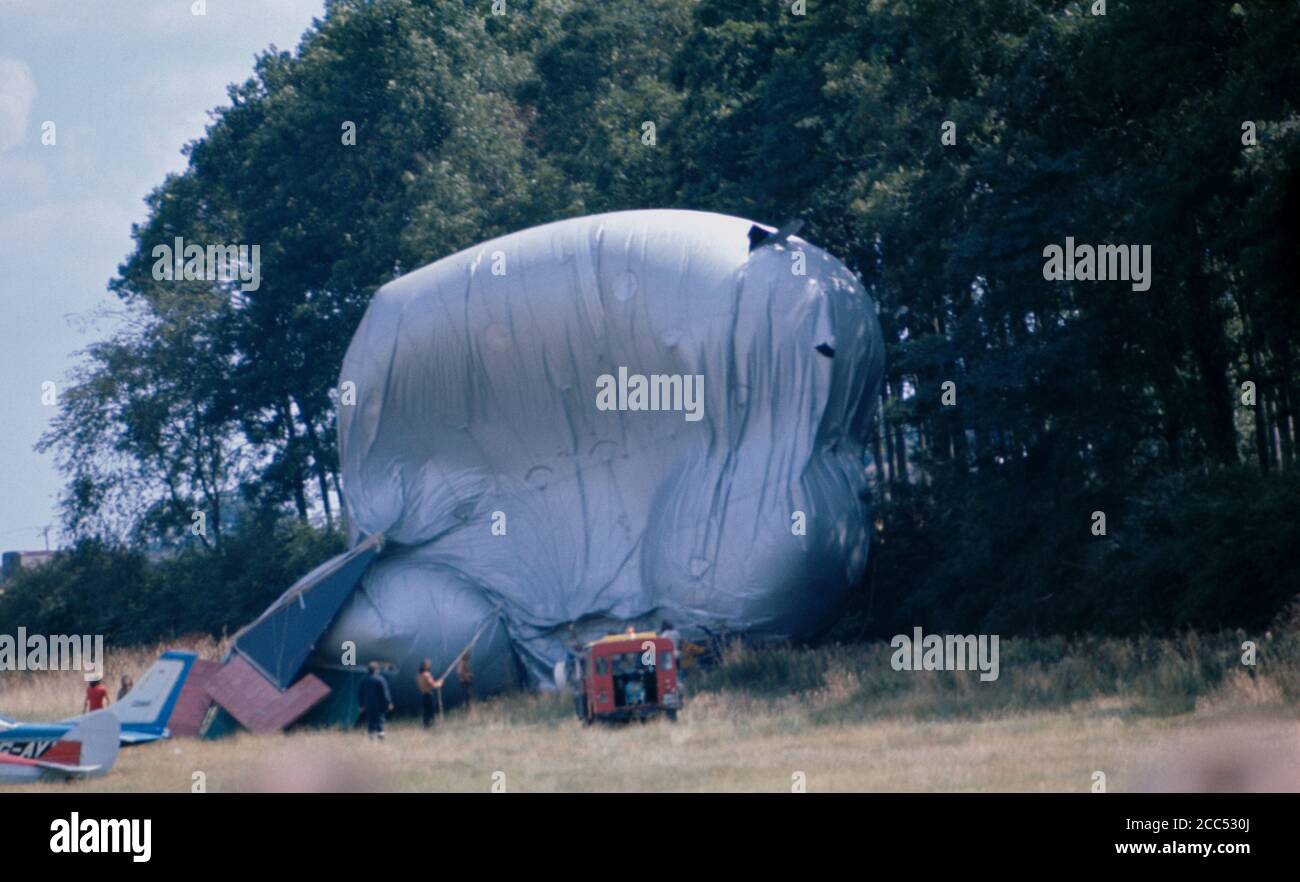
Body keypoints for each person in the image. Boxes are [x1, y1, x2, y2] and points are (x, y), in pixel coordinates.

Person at [358, 661, 394, 740]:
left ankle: (371, 737)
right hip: (379, 704)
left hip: (367, 704)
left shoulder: (364, 680)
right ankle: (380, 736)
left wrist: (361, 705)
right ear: (376, 669)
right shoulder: (380, 679)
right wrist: (389, 703)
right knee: (379, 720)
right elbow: (385, 693)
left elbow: (360, 693)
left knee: (370, 720)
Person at [416, 659, 440, 729]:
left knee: (425, 712)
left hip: (423, 696)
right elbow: (433, 685)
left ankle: (426, 726)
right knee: (432, 711)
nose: (429, 666)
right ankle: (433, 726)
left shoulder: (418, 676)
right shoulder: (427, 675)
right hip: (429, 695)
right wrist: (439, 683)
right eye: (428, 664)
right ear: (424, 666)